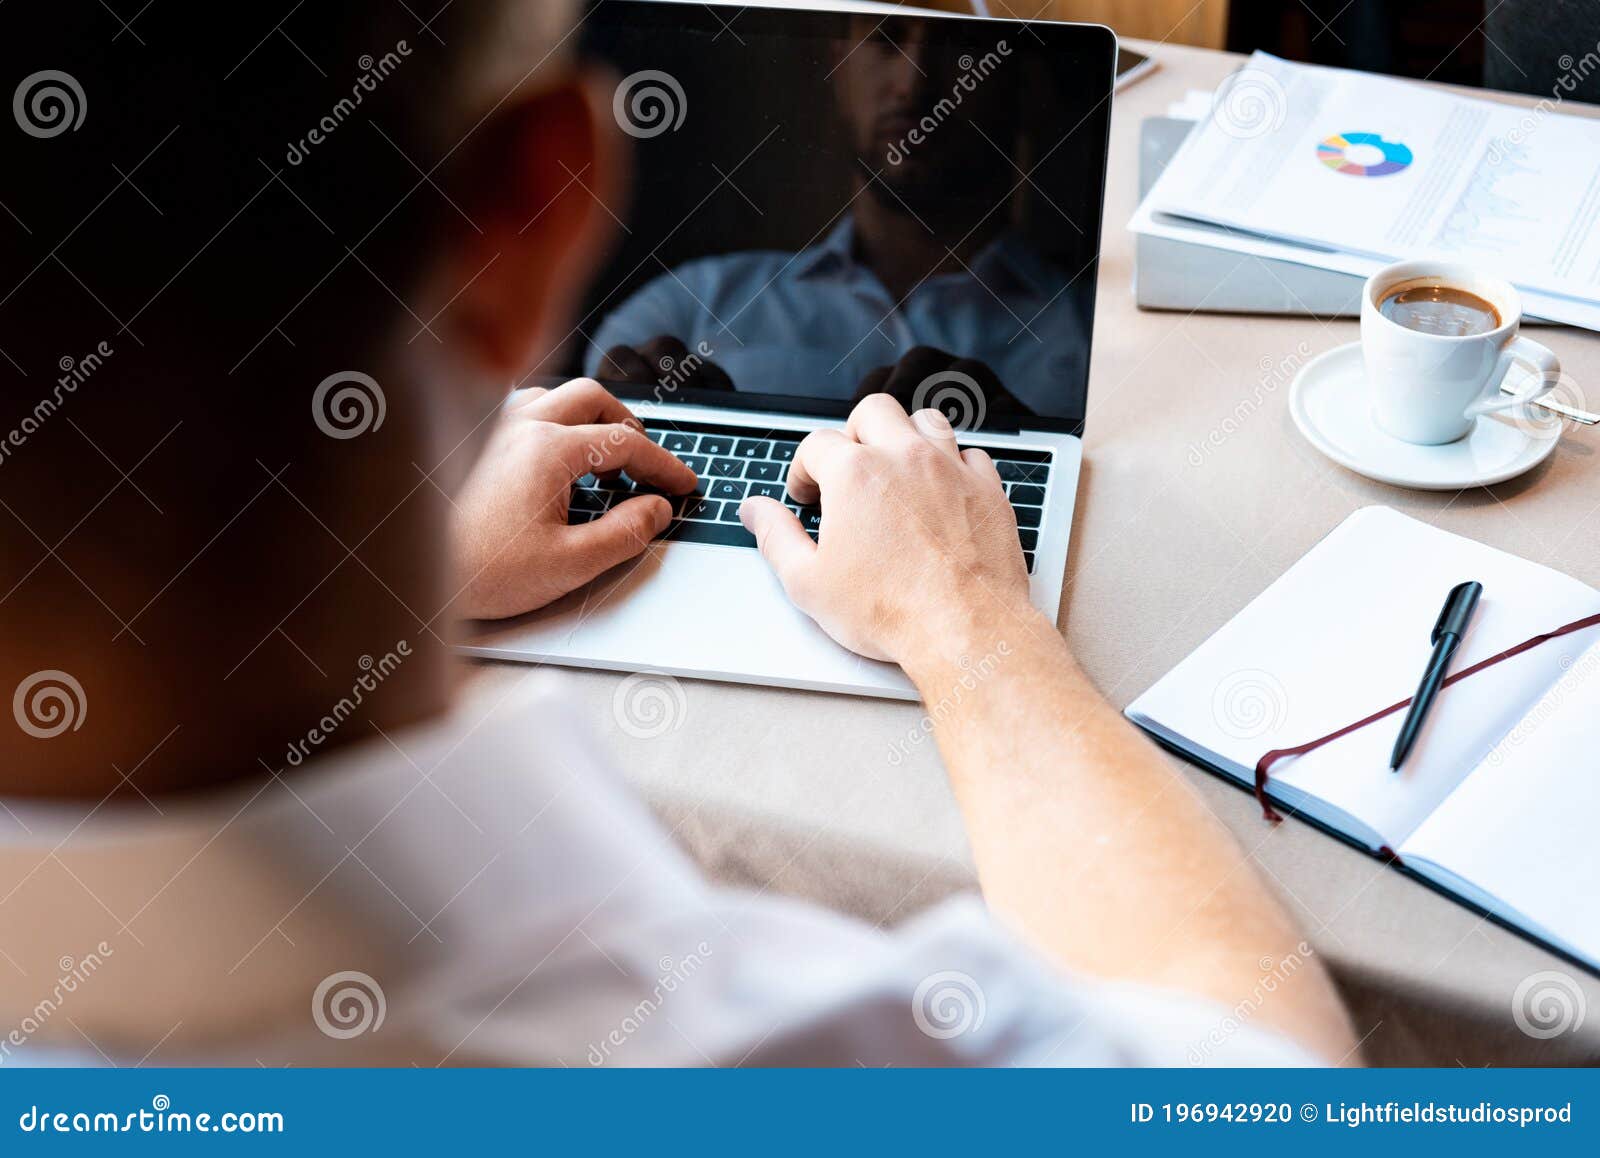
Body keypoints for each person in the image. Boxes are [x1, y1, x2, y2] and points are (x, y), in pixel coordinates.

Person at [0, 1, 1355, 1065]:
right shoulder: (780, 1057)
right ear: (541, 220)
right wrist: (969, 621)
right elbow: (1271, 1080)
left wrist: (392, 573)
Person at [588, 15, 1081, 419]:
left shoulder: (1090, 339)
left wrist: (1020, 450)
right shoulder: (683, 307)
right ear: (839, 67)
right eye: (885, 38)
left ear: (1022, 81)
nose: (913, 83)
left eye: (964, 45)